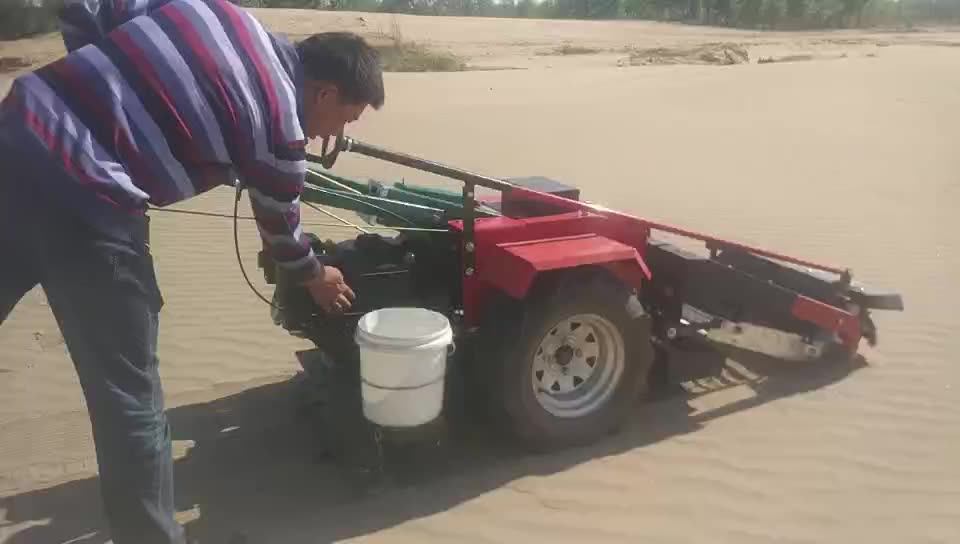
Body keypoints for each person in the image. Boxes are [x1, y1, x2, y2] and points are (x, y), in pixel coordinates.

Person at [0, 0, 384, 541]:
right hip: (89, 207)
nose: (333, 135)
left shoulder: (218, 14)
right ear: (324, 93)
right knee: (129, 398)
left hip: (17, 134)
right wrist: (316, 276)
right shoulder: (282, 130)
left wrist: (103, 89)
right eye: (344, 119)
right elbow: (282, 233)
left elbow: (88, 6)